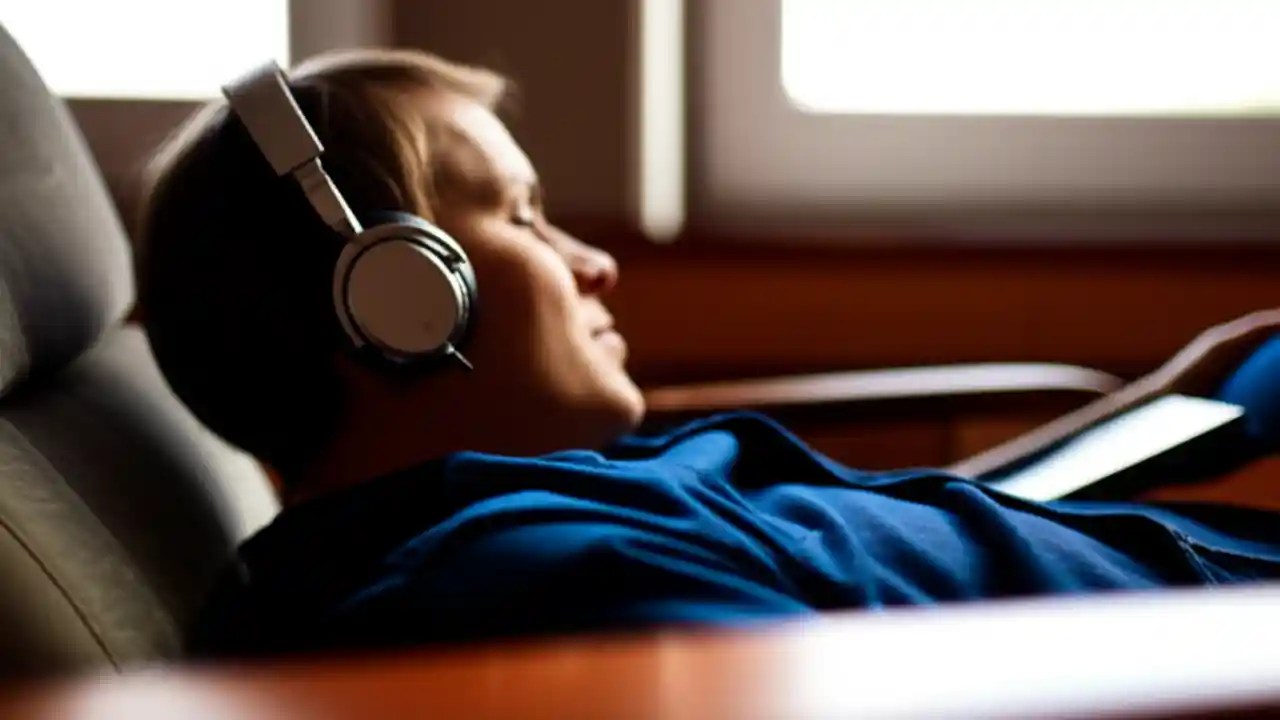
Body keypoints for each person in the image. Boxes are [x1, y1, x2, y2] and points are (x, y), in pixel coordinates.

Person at [138, 48, 1280, 659]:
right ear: (394, 299)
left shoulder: (554, 491)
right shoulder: (523, 573)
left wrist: (1136, 419)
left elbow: (845, 562)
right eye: (526, 216)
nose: (597, 264)